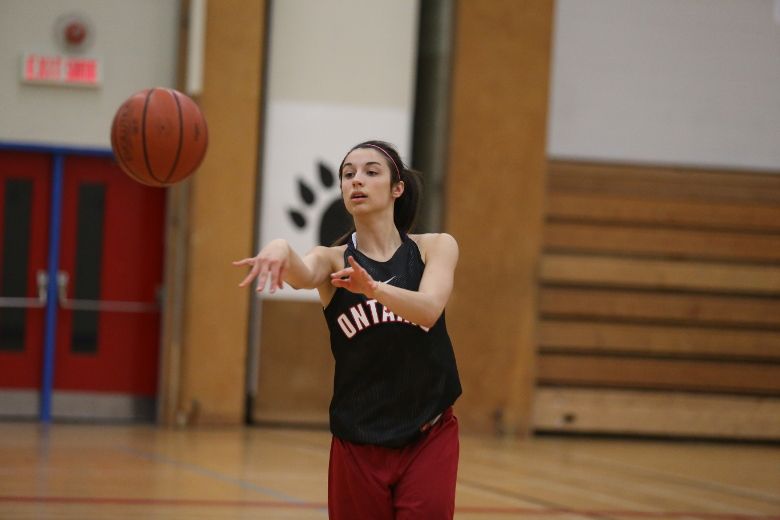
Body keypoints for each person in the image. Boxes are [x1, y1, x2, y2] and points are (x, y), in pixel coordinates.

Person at [234, 140, 462, 519]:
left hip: (428, 433)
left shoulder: (433, 248)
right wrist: (278, 248)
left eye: (371, 172)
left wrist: (373, 288)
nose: (357, 180)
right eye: (348, 174)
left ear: (397, 188)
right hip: (359, 441)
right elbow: (304, 274)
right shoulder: (332, 259)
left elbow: (429, 310)